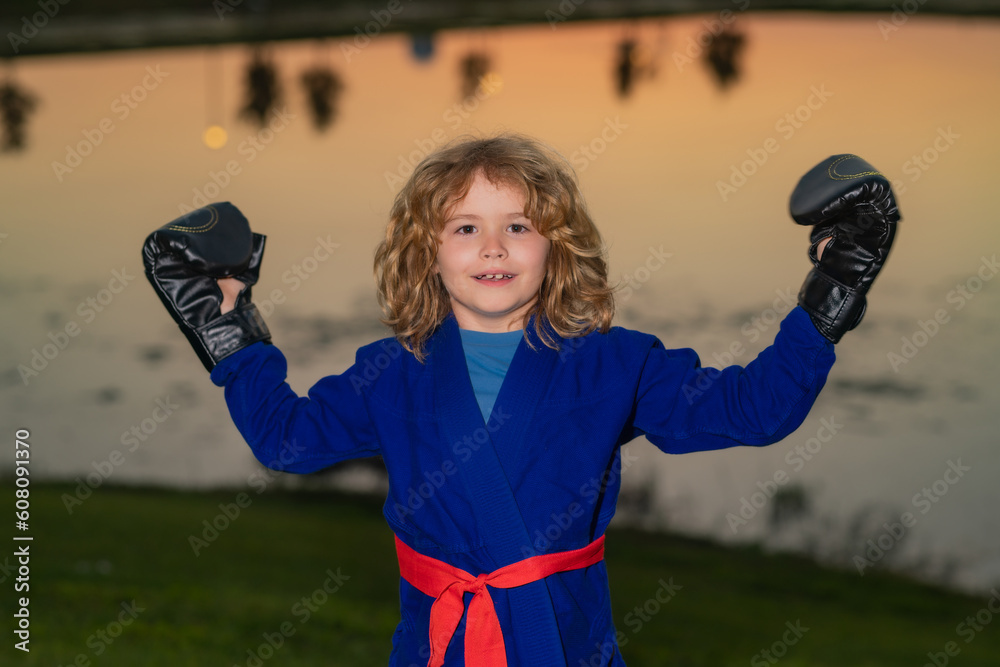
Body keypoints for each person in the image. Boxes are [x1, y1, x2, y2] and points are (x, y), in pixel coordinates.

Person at [142, 135, 898, 667]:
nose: (494, 246)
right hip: (439, 650)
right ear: (427, 253)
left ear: (557, 247)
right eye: (466, 227)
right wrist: (226, 326)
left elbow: (757, 407)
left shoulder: (614, 363)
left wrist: (838, 286)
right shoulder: (391, 372)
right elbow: (287, 439)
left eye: (519, 226)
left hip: (567, 644)